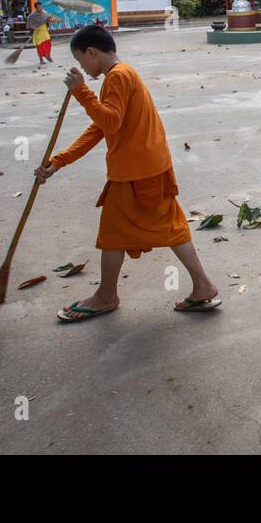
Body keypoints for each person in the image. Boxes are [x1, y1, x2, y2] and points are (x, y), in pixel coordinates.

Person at [34, 24, 220, 322]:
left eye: (82, 60)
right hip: (149, 164)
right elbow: (101, 127)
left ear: (92, 52)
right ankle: (203, 285)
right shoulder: (124, 74)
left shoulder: (117, 77)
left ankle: (107, 295)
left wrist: (81, 91)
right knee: (168, 227)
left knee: (114, 234)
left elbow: (109, 122)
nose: (83, 67)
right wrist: (60, 161)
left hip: (136, 170)